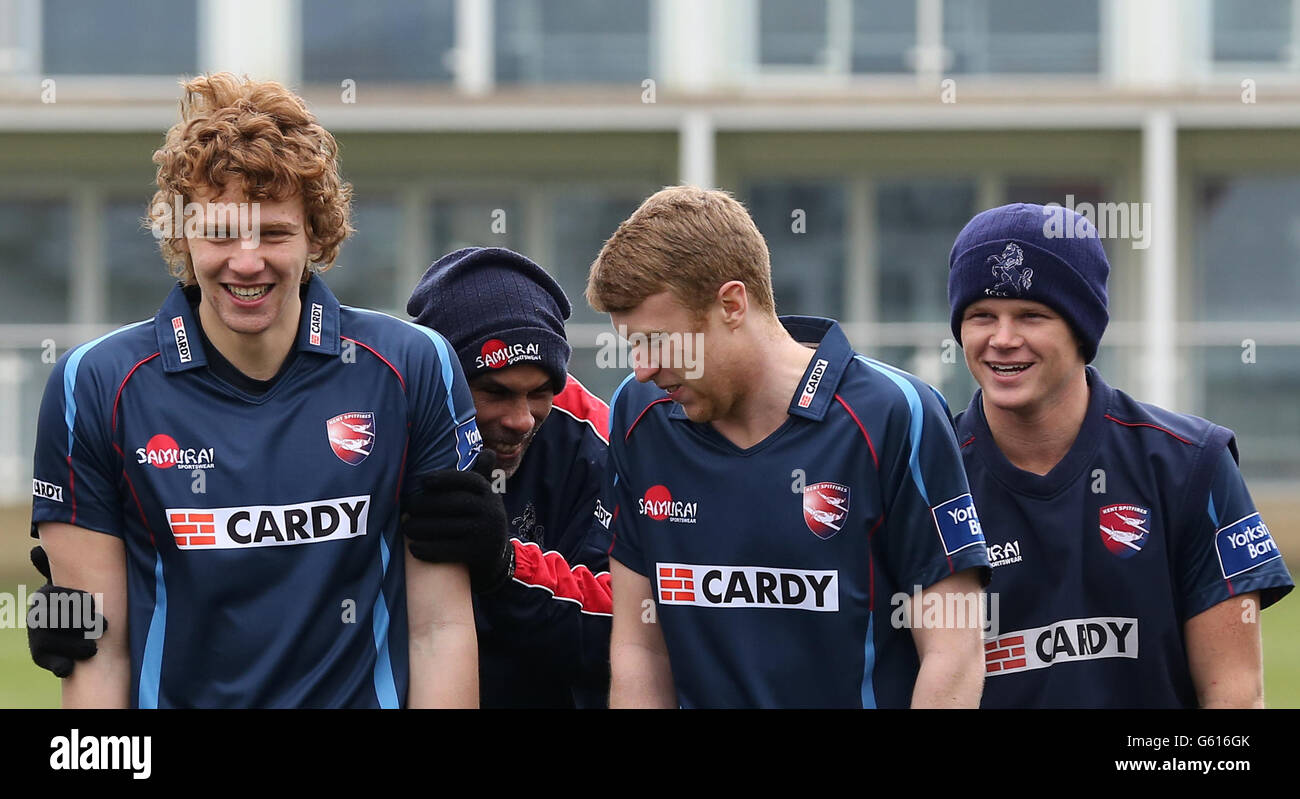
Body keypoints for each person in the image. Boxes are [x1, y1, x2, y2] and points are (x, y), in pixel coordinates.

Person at [27, 73, 482, 708]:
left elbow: (440, 630)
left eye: (272, 232)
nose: (246, 262)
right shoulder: (94, 384)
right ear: (182, 236)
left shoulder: (410, 366)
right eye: (218, 232)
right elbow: (96, 650)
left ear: (316, 236)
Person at [586, 186, 990, 708]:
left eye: (659, 342)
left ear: (732, 304)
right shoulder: (639, 413)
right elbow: (642, 649)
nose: (643, 367)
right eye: (633, 345)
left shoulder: (896, 412)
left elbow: (954, 654)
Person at [946, 202, 1294, 708]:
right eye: (981, 316)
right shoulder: (926, 471)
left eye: (1031, 315)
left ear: (1083, 329)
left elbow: (1235, 698)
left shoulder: (1191, 465)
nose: (1002, 339)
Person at [405, 246, 614, 708]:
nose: (520, 419)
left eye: (540, 393)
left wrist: (504, 565)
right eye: (495, 393)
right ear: (445, 381)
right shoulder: (389, 426)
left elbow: (626, 633)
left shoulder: (598, 445)